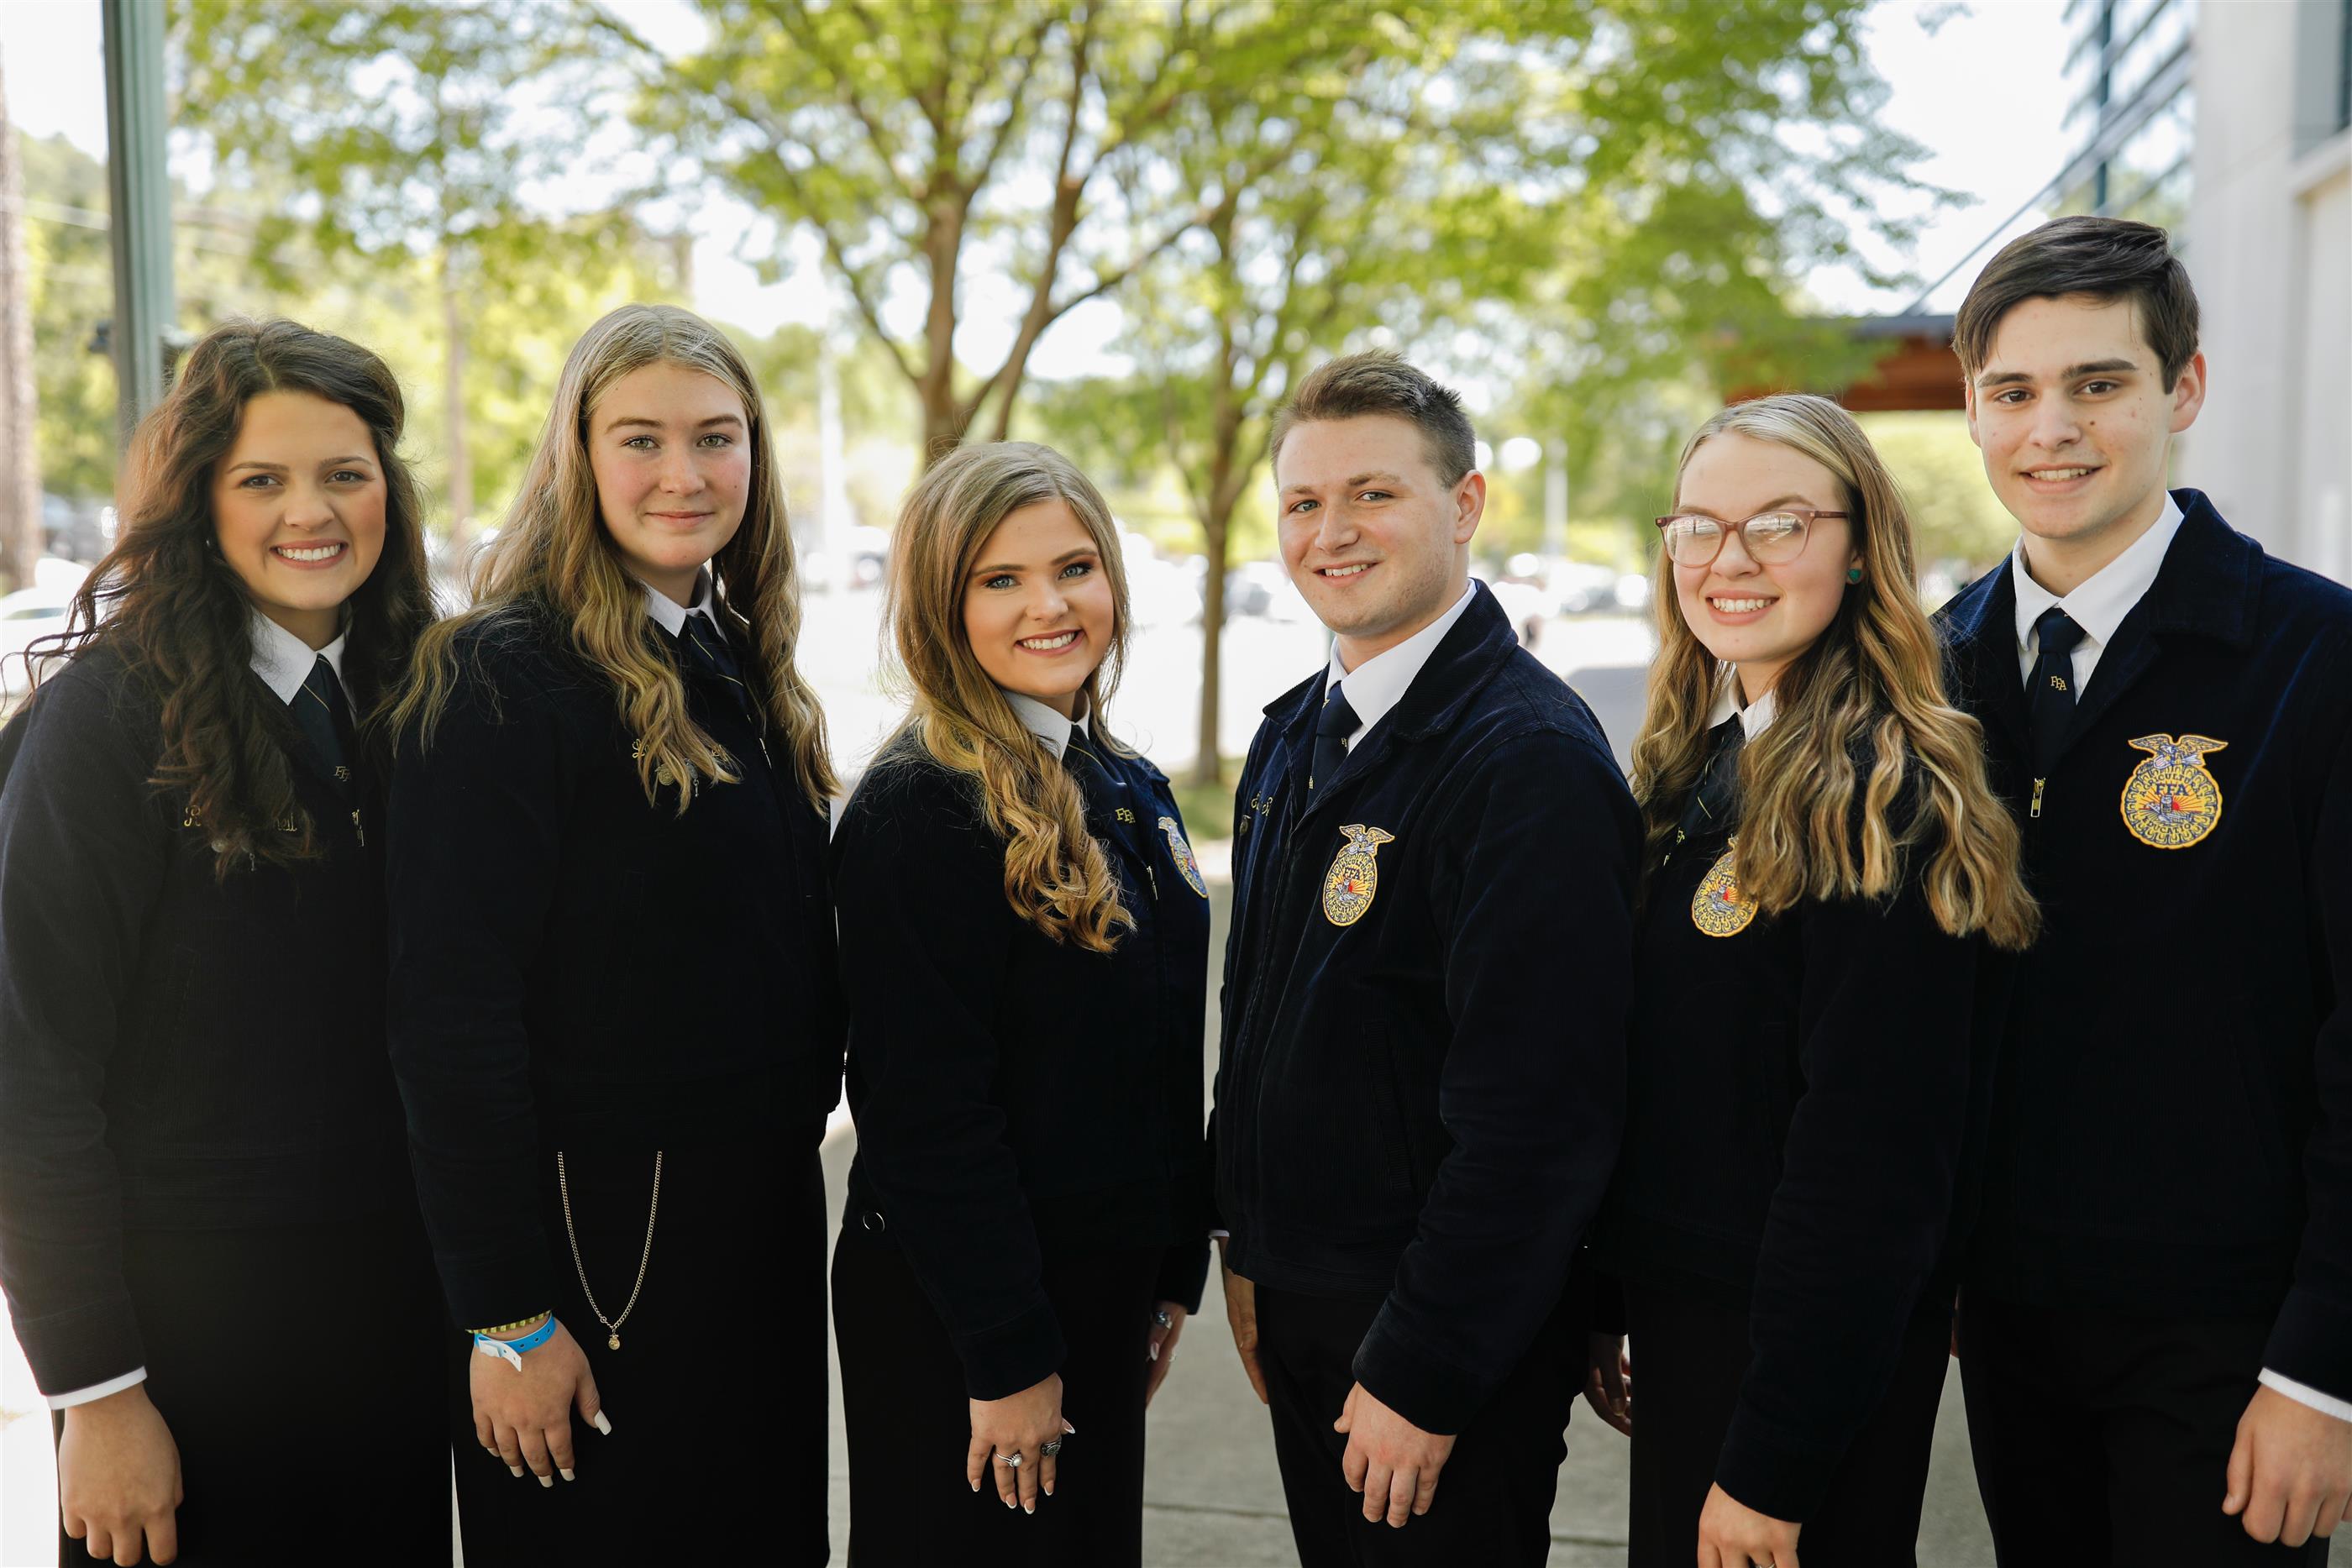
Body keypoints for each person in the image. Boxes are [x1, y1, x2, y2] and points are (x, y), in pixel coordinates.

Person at [384, 302, 841, 1565]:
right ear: (577, 457)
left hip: (751, 1215)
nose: (683, 475)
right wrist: (504, 1318)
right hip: (597, 1245)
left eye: (716, 437)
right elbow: (447, 1017)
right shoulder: (500, 677)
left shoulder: (738, 659)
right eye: (640, 440)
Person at [1939, 215, 2352, 1563]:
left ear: (2183, 390)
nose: (2050, 429)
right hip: (2004, 1324)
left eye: (2098, 384)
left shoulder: (2316, 659)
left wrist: (2321, 1371)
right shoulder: (1925, 676)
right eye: (2013, 392)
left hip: (2234, 1345)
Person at [0, 318, 444, 1565]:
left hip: (387, 1345)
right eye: (263, 479)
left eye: (344, 474)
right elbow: (30, 1081)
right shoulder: (104, 723)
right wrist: (95, 1392)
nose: (311, 512)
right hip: (177, 1363)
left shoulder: (425, 701)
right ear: (201, 502)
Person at [1588, 393, 2037, 1568]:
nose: (1729, 560)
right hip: (1693, 1342)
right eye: (1698, 527)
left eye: (1779, 525)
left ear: (1857, 548)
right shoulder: (1703, 765)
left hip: (1798, 1383)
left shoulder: (1880, 797)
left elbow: (1873, 1172)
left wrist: (1772, 1462)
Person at [1208, 350, 1639, 1566]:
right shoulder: (1296, 734)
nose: (1330, 532)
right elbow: (1259, 1019)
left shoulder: (1527, 763)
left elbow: (1541, 1120)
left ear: (1464, 506)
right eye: (1302, 503)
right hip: (1302, 1299)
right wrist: (1243, 1245)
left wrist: (1429, 1371)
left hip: (1434, 1336)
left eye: (1373, 494)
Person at [828, 440, 1210, 1567]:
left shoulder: (1122, 781)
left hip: (1096, 1289)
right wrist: (1004, 1356)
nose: (1050, 605)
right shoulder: (920, 809)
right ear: (942, 609)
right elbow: (923, 1115)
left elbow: (1158, 1042)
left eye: (1075, 568)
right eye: (1000, 580)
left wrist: (1168, 1270)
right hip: (967, 1311)